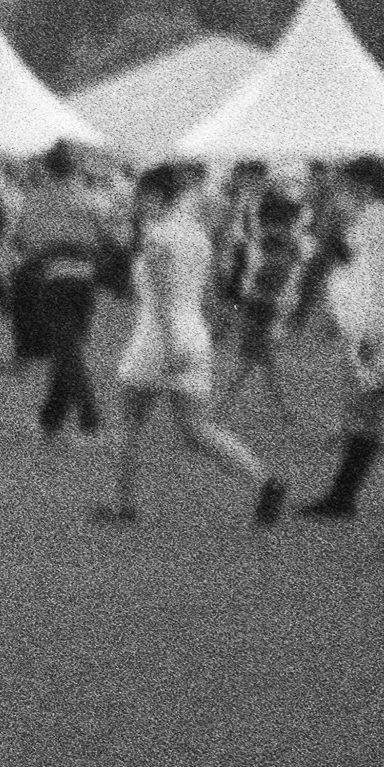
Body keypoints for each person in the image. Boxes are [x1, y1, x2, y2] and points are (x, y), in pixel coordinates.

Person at [104, 165, 273, 522]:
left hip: (159, 336)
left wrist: (169, 345)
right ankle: (264, 480)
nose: (136, 202)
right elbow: (210, 291)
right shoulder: (197, 234)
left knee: (132, 423)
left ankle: (124, 504)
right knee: (197, 428)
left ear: (156, 197)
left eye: (141, 195)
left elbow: (163, 299)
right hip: (193, 331)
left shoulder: (158, 236)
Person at [302, 168, 384, 526]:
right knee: (368, 411)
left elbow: (368, 280)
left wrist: (365, 333)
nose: (337, 196)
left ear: (360, 188)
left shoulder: (376, 218)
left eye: (341, 189)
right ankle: (342, 497)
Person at [4, 147, 126, 443]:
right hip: (84, 281)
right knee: (68, 350)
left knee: (67, 351)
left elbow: (18, 241)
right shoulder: (87, 198)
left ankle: (90, 420)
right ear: (73, 169)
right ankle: (51, 420)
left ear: (46, 169)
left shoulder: (34, 200)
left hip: (52, 280)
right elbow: (111, 239)